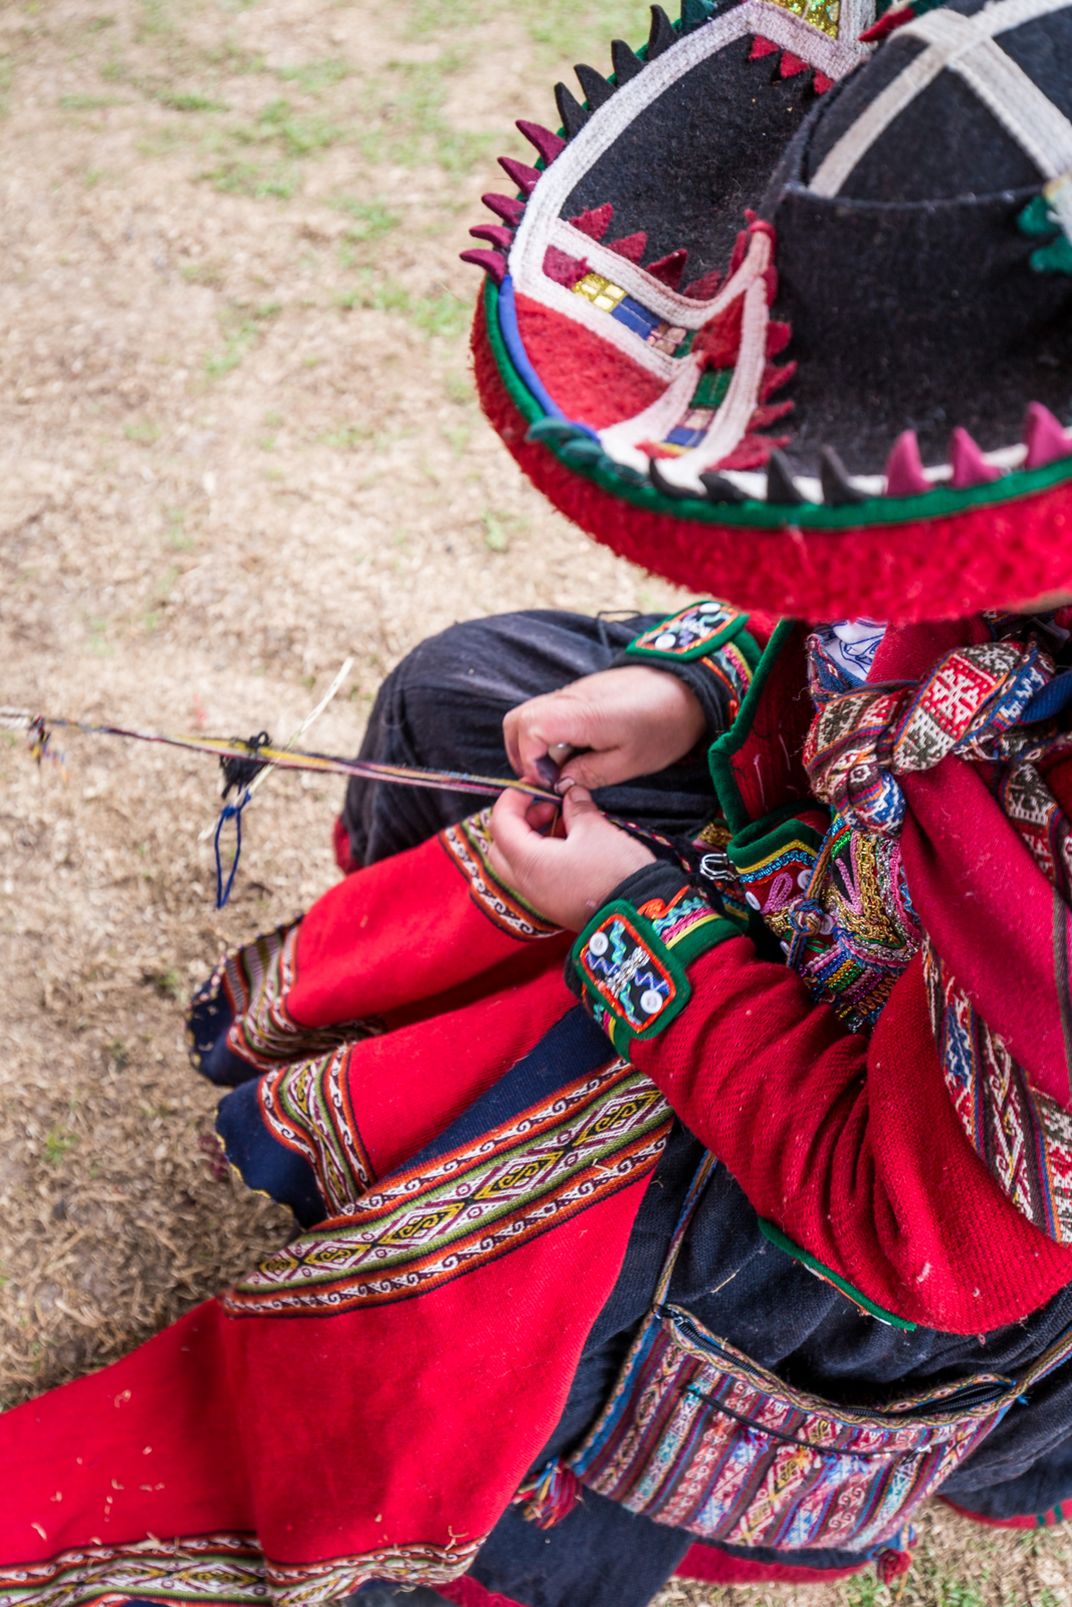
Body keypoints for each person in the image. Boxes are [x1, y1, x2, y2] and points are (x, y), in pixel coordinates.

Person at [5, 1, 1072, 1604]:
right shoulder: (996, 532)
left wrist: (637, 929)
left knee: (581, 1253)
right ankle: (397, 1090)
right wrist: (702, 687)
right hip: (866, 860)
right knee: (469, 694)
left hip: (942, 1176)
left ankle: (536, 1488)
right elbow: (891, 613)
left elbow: (928, 1234)